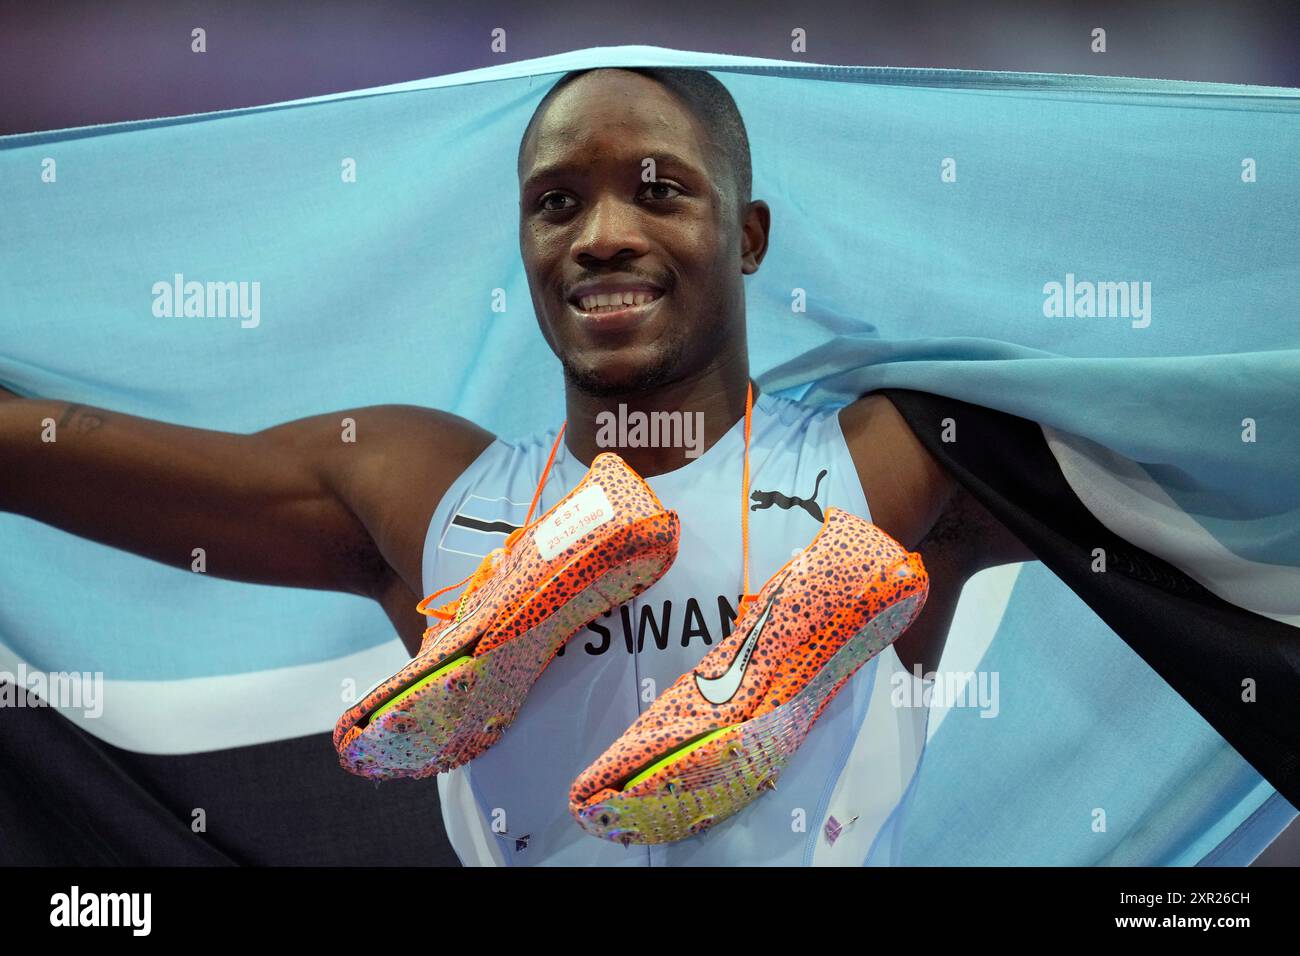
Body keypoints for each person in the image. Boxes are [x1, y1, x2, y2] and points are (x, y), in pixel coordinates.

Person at [0, 67, 1032, 865]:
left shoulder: (892, 457)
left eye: (659, 192)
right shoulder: (416, 486)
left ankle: (787, 617)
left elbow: (1143, 476)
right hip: (504, 545)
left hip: (831, 525)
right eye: (556, 204)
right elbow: (60, 455)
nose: (602, 236)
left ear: (746, 234)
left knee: (954, 461)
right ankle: (535, 600)